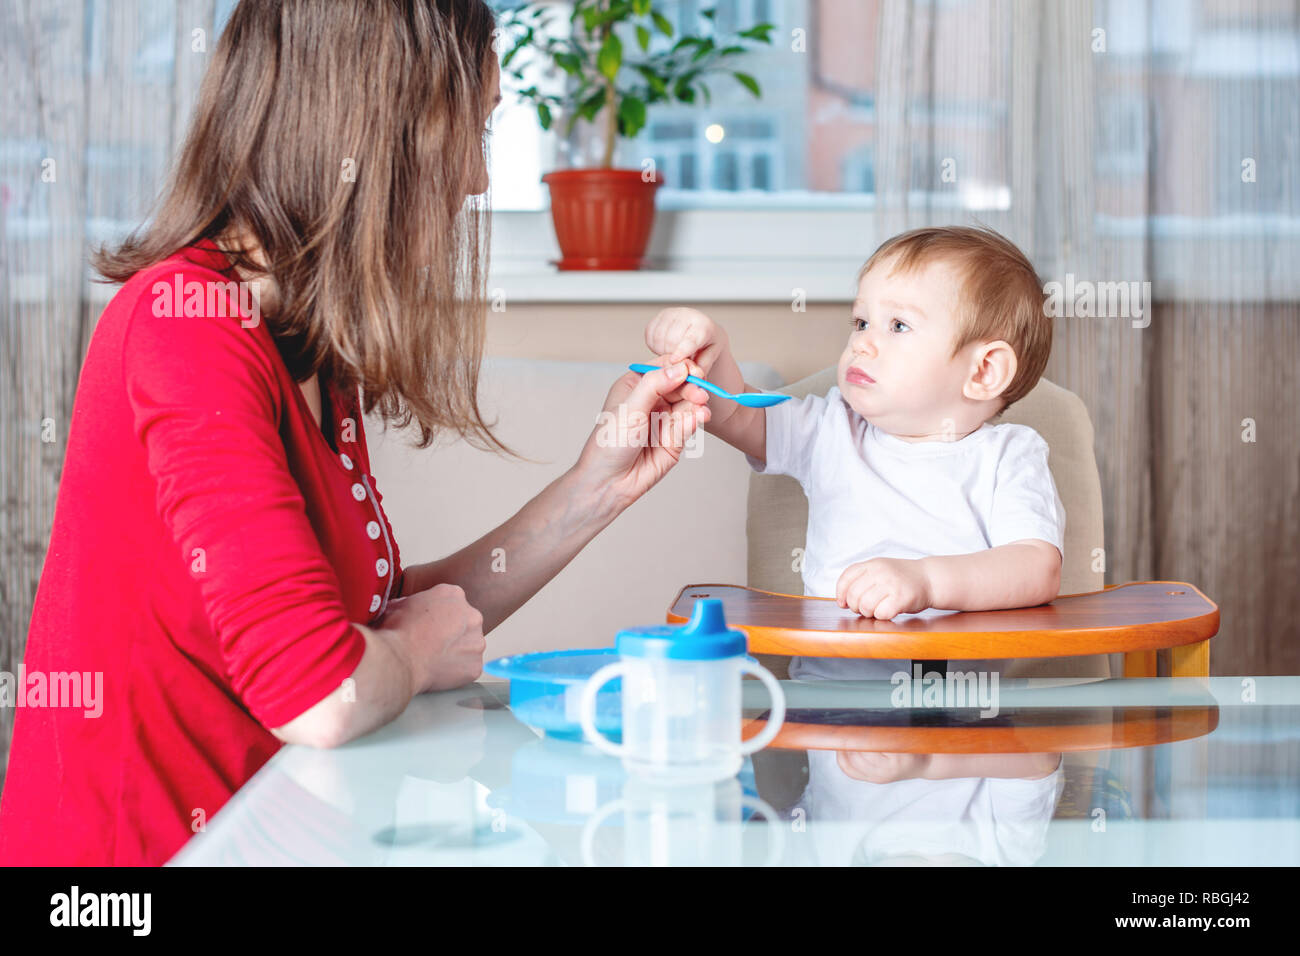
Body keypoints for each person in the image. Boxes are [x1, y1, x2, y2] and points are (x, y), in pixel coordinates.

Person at [0, 0, 710, 866]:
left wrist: (596, 487)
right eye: (475, 134)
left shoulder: (300, 342)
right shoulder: (184, 325)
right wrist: (410, 655)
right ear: (380, 123)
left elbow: (362, 625)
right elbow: (325, 690)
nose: (477, 182)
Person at [643, 225, 1065, 681]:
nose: (862, 342)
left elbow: (1035, 566)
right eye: (861, 322)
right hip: (832, 700)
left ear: (984, 371)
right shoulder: (830, 428)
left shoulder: (1010, 456)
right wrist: (711, 349)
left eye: (898, 325)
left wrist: (926, 582)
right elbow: (735, 413)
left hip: (963, 709)